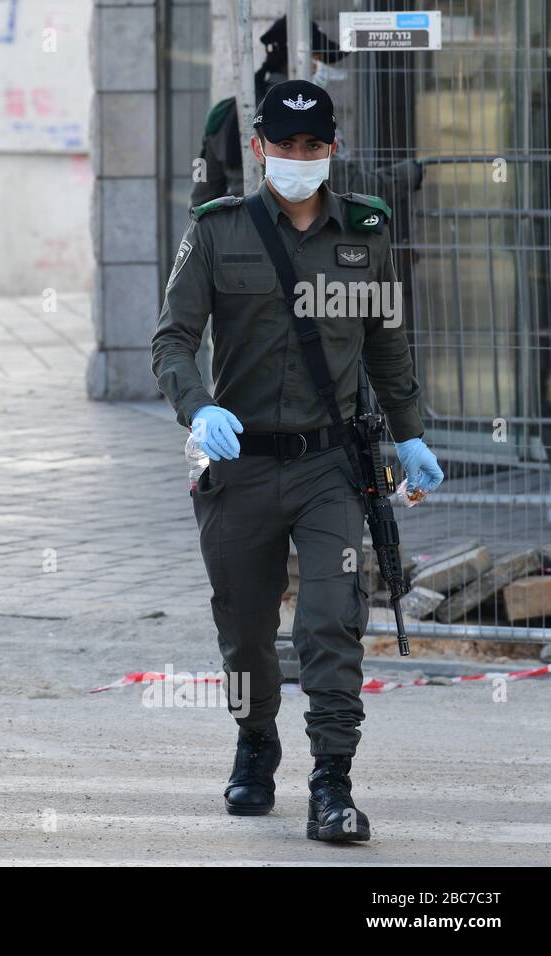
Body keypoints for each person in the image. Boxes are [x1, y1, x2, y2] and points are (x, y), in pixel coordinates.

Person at [152, 81, 444, 842]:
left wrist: (411, 435)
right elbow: (171, 340)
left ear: (333, 149)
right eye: (283, 145)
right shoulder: (217, 231)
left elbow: (385, 340)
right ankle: (255, 744)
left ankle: (332, 783)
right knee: (246, 630)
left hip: (330, 467)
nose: (298, 158)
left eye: (312, 147)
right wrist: (198, 406)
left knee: (329, 623)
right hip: (239, 464)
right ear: (258, 149)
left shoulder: (367, 233)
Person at [190, 16, 421, 211]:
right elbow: (350, 186)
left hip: (240, 238)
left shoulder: (225, 112)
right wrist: (411, 172)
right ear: (297, 59)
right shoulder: (309, 117)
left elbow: (201, 188)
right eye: (318, 57)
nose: (322, 66)